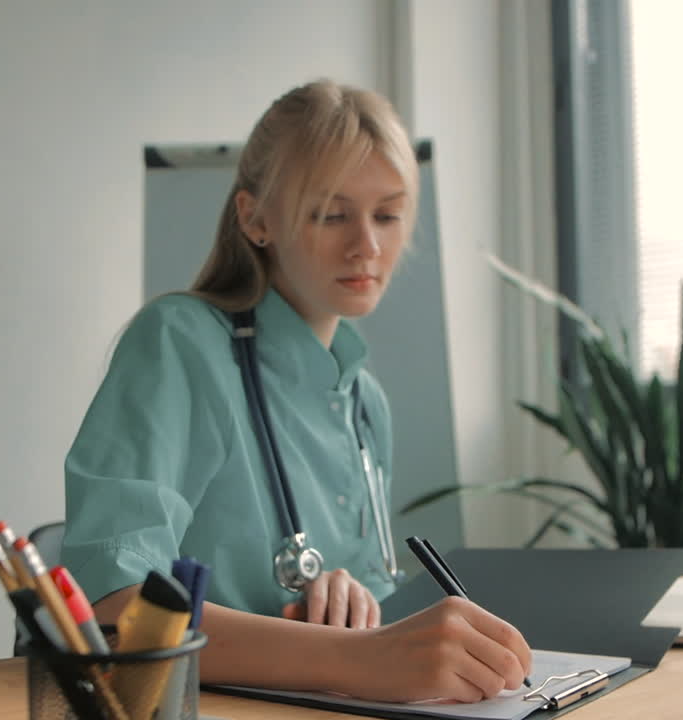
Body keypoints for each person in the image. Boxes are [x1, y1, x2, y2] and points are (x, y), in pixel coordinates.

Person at [60, 79, 531, 703]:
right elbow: (120, 615)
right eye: (332, 213)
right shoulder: (179, 344)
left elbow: (370, 627)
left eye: (387, 215)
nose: (367, 244)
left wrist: (353, 608)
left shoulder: (366, 402)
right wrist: (357, 657)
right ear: (256, 218)